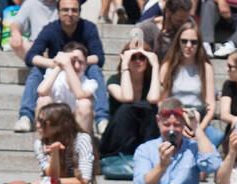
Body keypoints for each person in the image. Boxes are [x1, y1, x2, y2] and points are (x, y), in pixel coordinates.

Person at [23, 0, 108, 132]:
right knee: (36, 70)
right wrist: (56, 62)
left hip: (81, 71)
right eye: (65, 10)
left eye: (74, 10)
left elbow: (99, 57)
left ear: (80, 12)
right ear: (58, 12)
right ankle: (25, 116)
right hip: (56, 71)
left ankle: (102, 118)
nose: (70, 14)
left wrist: (77, 60)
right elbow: (31, 56)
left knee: (95, 69)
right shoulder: (50, 29)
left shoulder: (89, 28)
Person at [159, 19, 219, 148]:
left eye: (194, 42)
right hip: (173, 116)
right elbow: (161, 101)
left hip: (197, 117)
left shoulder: (205, 67)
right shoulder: (168, 66)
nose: (188, 45)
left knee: (216, 136)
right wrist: (175, 123)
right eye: (184, 41)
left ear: (199, 44)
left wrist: (198, 129)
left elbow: (210, 105)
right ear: (178, 42)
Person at [101, 35, 161, 156]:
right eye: (133, 57)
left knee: (151, 108)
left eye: (142, 57)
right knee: (127, 109)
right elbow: (127, 98)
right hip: (118, 139)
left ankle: (149, 154)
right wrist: (124, 65)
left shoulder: (152, 83)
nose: (138, 61)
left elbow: (153, 99)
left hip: (144, 137)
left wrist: (155, 66)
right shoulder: (114, 81)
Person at [37, 40, 97, 134]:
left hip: (76, 126)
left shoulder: (90, 83)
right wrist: (59, 66)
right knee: (43, 100)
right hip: (55, 123)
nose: (77, 66)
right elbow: (41, 91)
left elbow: (80, 94)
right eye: (73, 62)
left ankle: (83, 146)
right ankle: (45, 143)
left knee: (84, 103)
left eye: (80, 62)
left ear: (85, 65)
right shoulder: (54, 75)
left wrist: (68, 65)